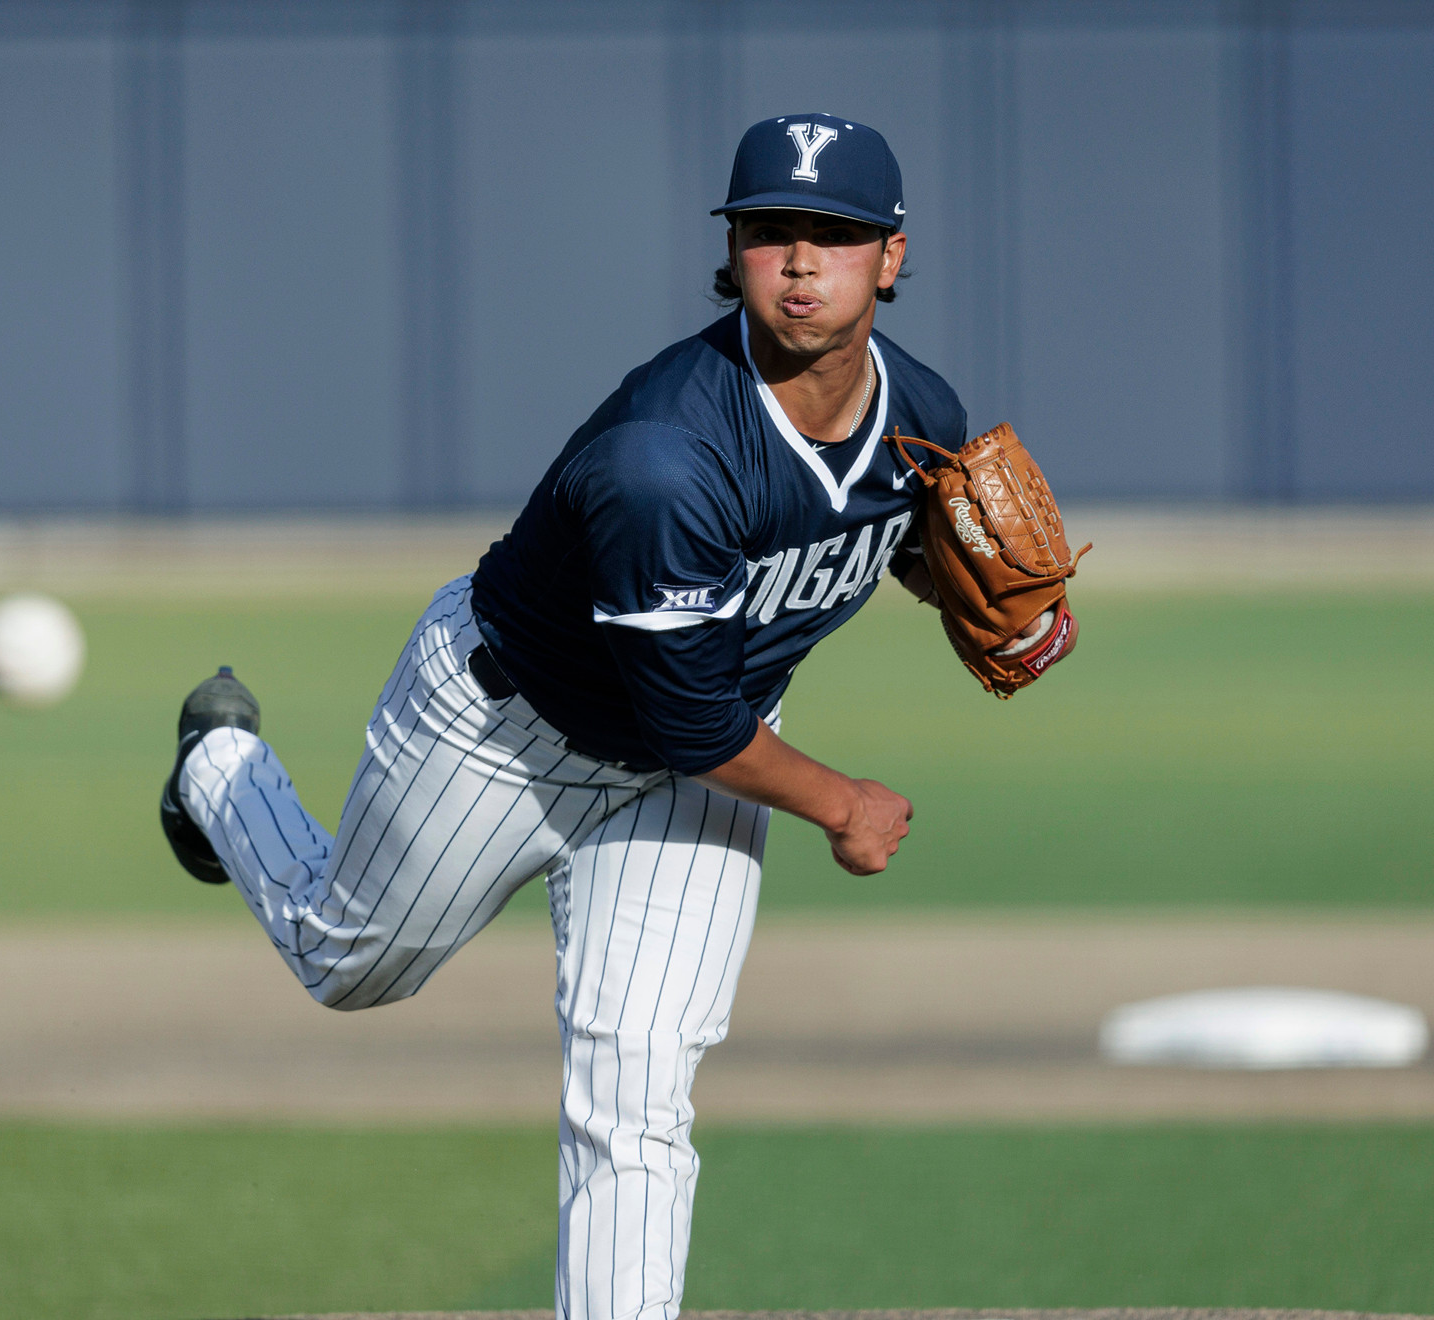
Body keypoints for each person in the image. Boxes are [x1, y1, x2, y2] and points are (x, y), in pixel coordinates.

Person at [160, 113, 1023, 1320]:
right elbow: (690, 721)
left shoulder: (920, 413)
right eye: (772, 231)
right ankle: (221, 766)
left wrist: (944, 584)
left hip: (695, 770)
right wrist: (845, 805)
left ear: (891, 256)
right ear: (734, 253)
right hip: (507, 731)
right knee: (344, 962)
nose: (800, 261)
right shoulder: (662, 455)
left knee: (638, 1095)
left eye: (836, 235)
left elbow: (877, 543)